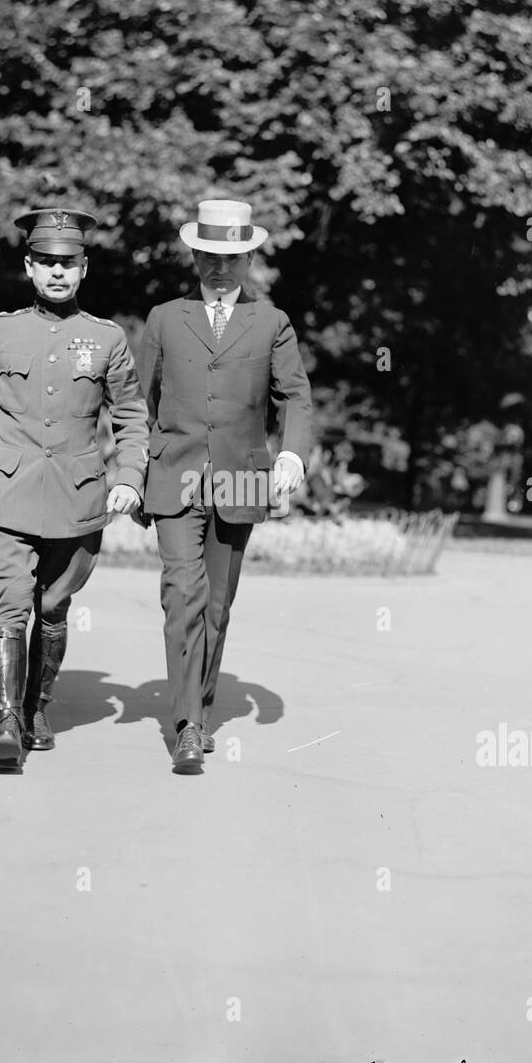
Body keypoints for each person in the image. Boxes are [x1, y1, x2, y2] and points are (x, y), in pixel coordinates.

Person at [0, 207, 148, 766]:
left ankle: (37, 704)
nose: (58, 272)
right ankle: (7, 718)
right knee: (11, 604)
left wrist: (130, 477)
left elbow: (132, 417)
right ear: (29, 266)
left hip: (76, 500)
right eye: (47, 262)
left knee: (53, 608)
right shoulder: (0, 330)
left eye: (69, 263)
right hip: (6, 497)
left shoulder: (105, 339)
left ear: (83, 269)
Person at [135, 198, 313, 773]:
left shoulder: (272, 323)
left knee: (216, 605)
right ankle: (186, 726)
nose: (219, 268)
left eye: (232, 258)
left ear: (249, 260)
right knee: (180, 596)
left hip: (240, 480)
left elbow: (296, 398)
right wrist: (131, 471)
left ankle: (202, 709)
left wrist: (290, 456)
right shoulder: (164, 318)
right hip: (172, 475)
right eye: (209, 255)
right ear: (193, 254)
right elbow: (140, 402)